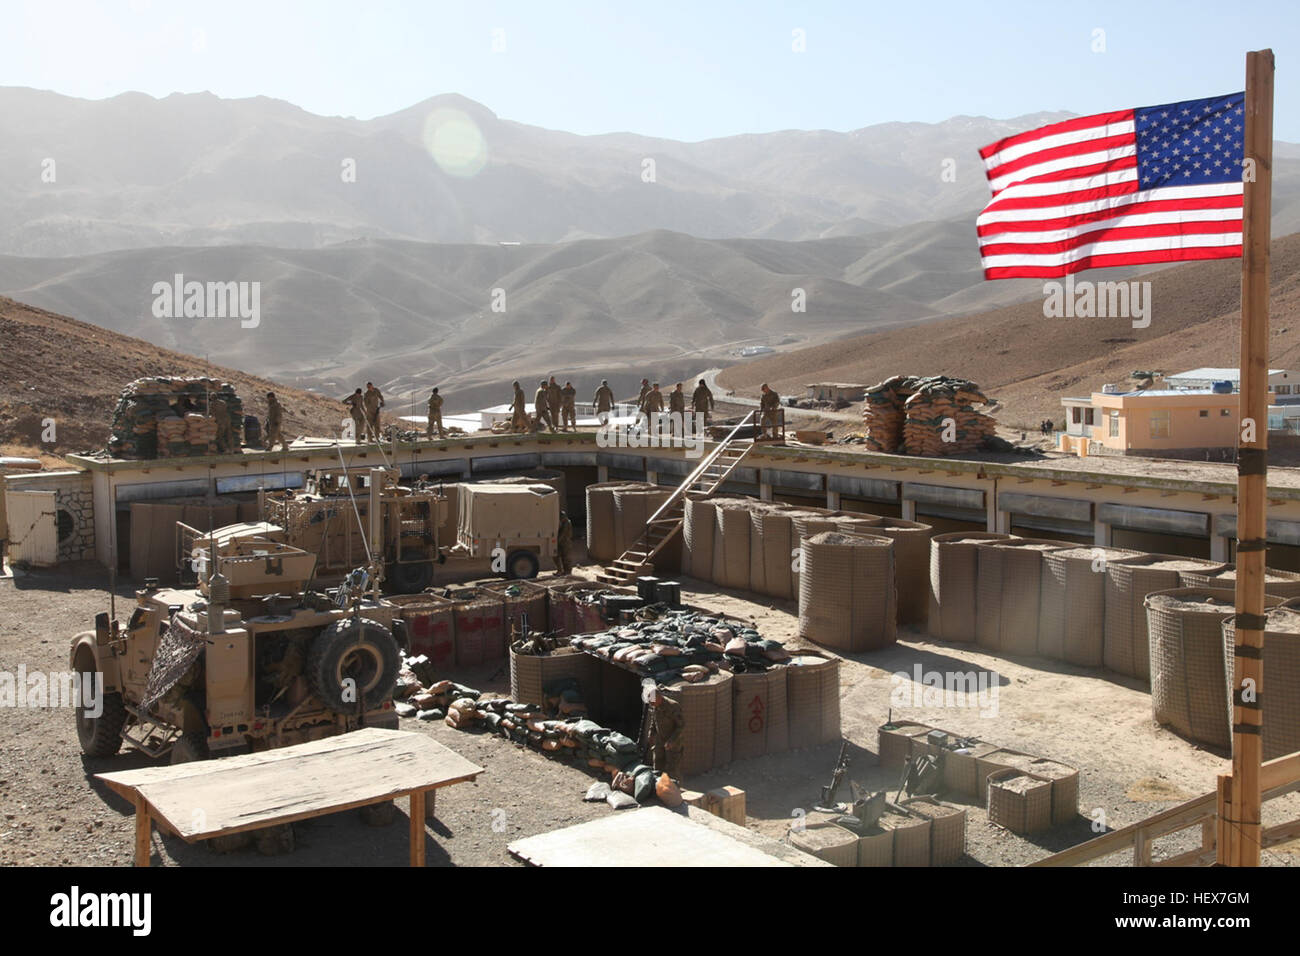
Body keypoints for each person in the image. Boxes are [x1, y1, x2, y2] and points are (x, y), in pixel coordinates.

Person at [646, 682, 685, 779]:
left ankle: (674, 790)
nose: (651, 704)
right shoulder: (655, 706)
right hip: (660, 740)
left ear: (659, 698)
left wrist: (671, 741)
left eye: (652, 702)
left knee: (672, 770)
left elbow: (681, 726)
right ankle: (658, 788)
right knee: (657, 766)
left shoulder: (673, 706)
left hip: (673, 742)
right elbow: (653, 721)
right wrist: (651, 733)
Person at [556, 510, 573, 574]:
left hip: (565, 542)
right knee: (558, 556)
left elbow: (563, 534)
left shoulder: (566, 522)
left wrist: (557, 541)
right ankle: (561, 570)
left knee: (566, 558)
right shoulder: (563, 522)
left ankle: (568, 572)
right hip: (562, 542)